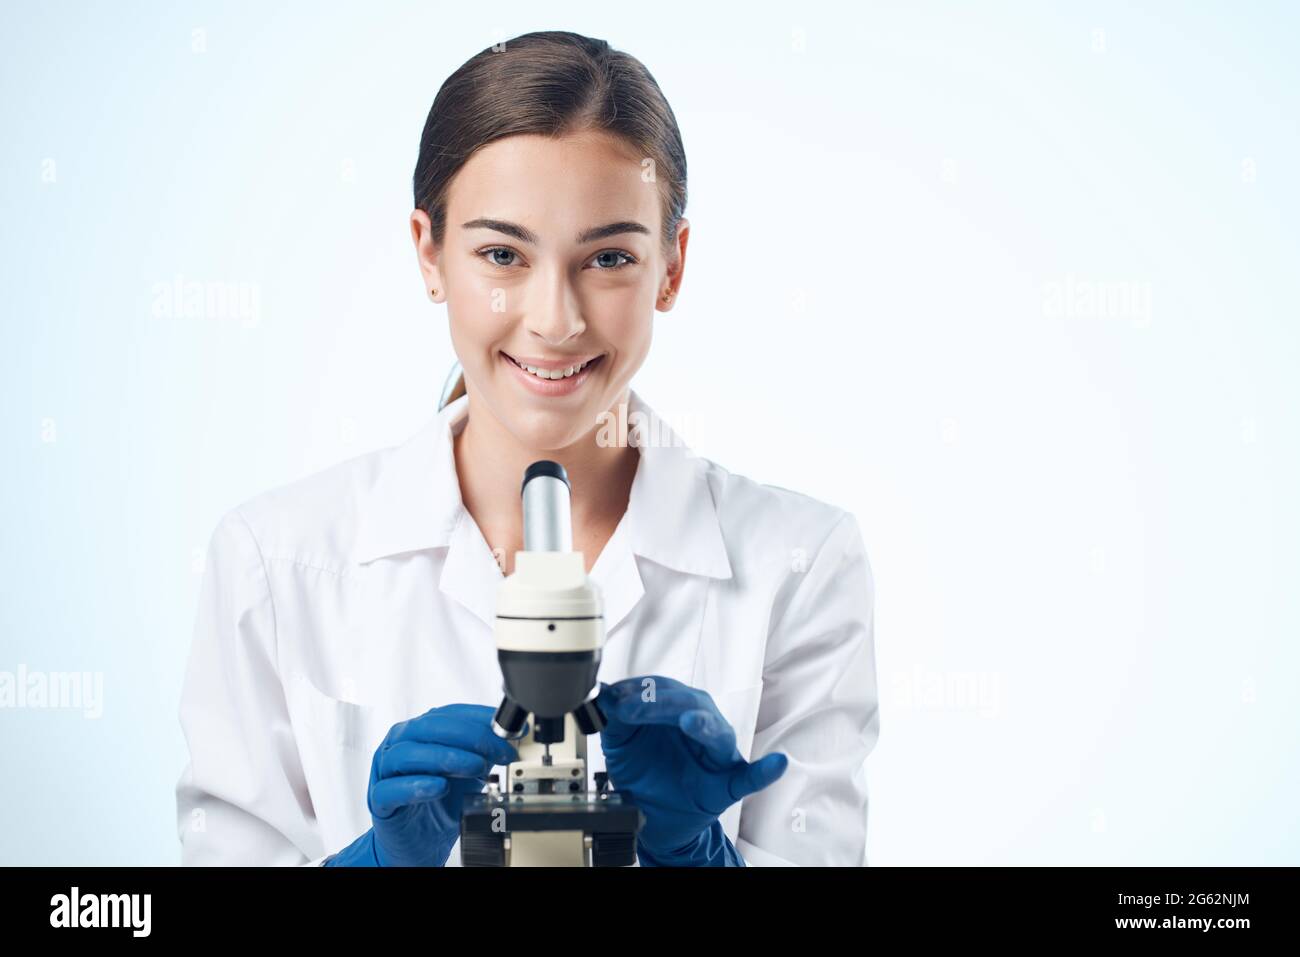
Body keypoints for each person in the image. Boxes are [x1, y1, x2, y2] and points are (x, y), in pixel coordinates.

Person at [175, 30, 879, 867]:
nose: (556, 319)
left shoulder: (799, 565)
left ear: (672, 267)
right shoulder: (278, 561)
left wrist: (696, 857)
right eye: (502, 253)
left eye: (609, 257)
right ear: (428, 252)